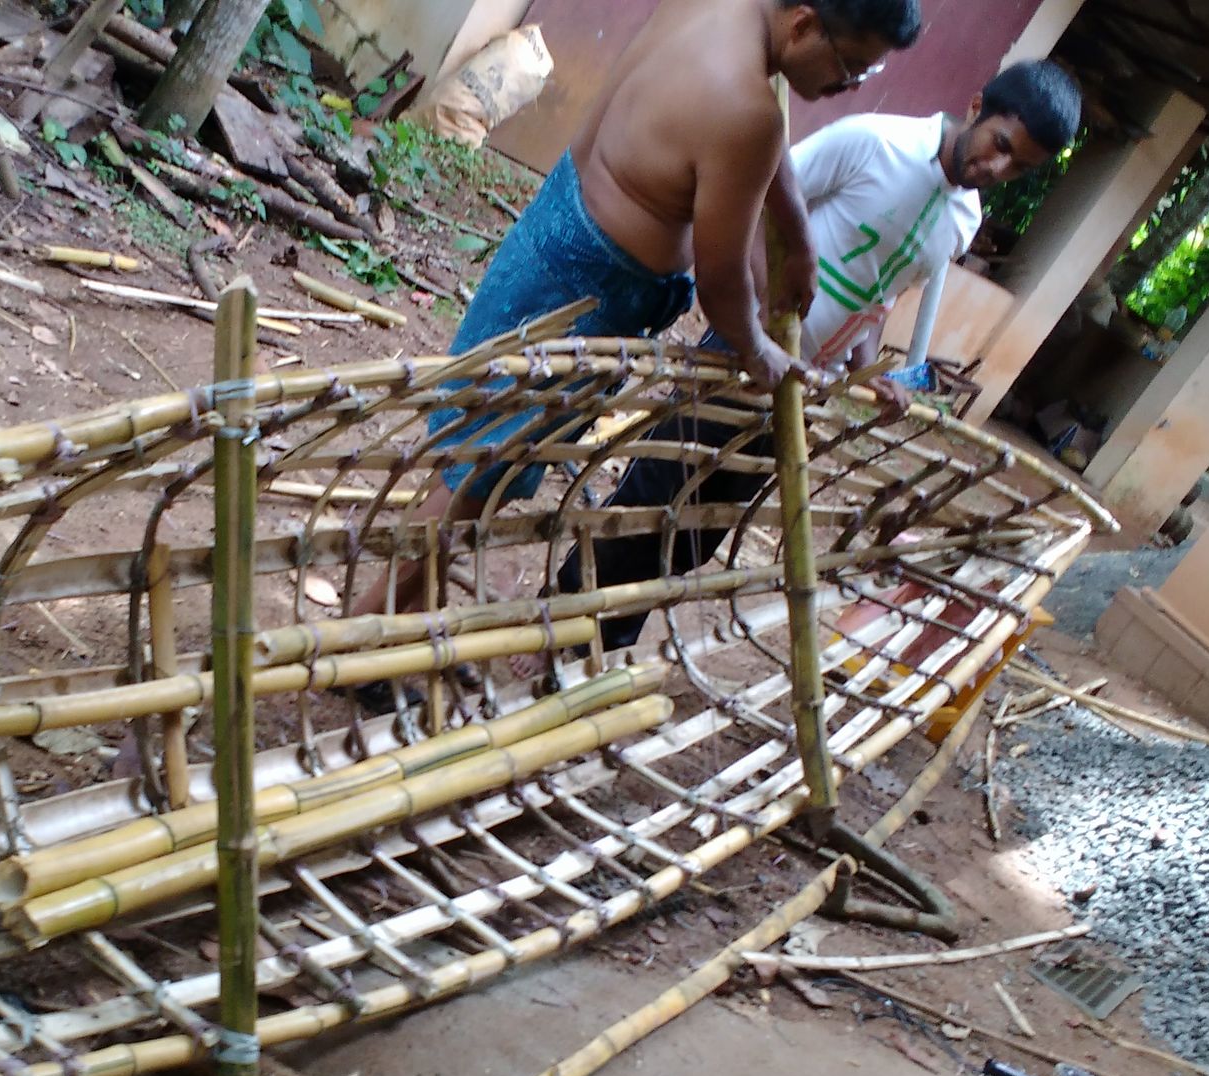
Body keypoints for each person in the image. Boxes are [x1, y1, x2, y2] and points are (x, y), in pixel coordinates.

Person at [345, 0, 925, 633]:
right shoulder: (747, 113)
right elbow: (723, 280)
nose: (847, 87)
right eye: (851, 68)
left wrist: (796, 229)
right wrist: (759, 351)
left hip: (556, 227)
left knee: (478, 452)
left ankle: (400, 618)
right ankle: (359, 634)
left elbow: (767, 137)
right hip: (589, 296)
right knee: (477, 474)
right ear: (805, 25)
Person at [556, 59, 1085, 654]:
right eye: (1000, 145)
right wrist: (754, 325)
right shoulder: (874, 143)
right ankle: (560, 618)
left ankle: (603, 645)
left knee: (702, 529)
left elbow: (875, 300)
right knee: (658, 494)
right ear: (976, 105)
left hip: (803, 389)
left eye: (1021, 167)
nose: (998, 168)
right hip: (743, 357)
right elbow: (752, 205)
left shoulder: (964, 221)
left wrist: (867, 375)